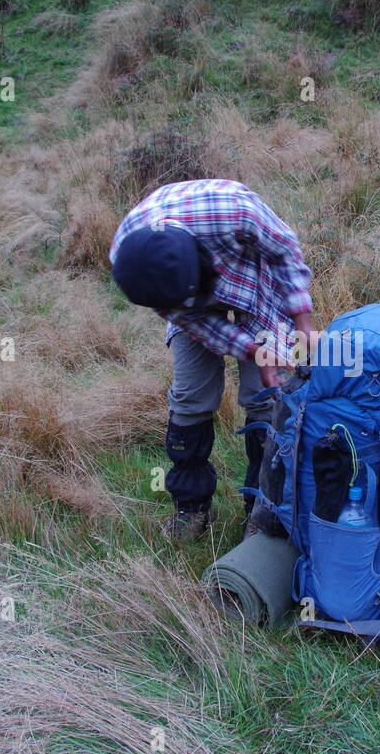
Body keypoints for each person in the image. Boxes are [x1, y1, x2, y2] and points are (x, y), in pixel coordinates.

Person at [109, 179, 318, 541]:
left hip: (256, 281)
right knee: (191, 397)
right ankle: (191, 509)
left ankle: (263, 509)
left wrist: (301, 323)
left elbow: (284, 251)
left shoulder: (235, 212)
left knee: (267, 397)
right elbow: (195, 320)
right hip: (186, 303)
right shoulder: (134, 268)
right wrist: (253, 349)